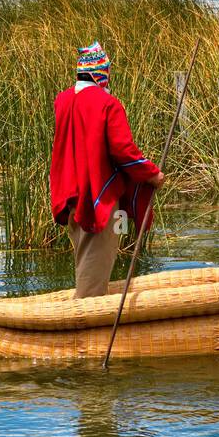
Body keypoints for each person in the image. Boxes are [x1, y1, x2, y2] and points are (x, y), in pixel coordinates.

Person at [49, 41, 165, 298]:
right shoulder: (107, 104)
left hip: (70, 196)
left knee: (85, 261)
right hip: (97, 198)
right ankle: (86, 328)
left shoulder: (63, 100)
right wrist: (152, 174)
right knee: (93, 275)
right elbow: (123, 151)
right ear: (100, 73)